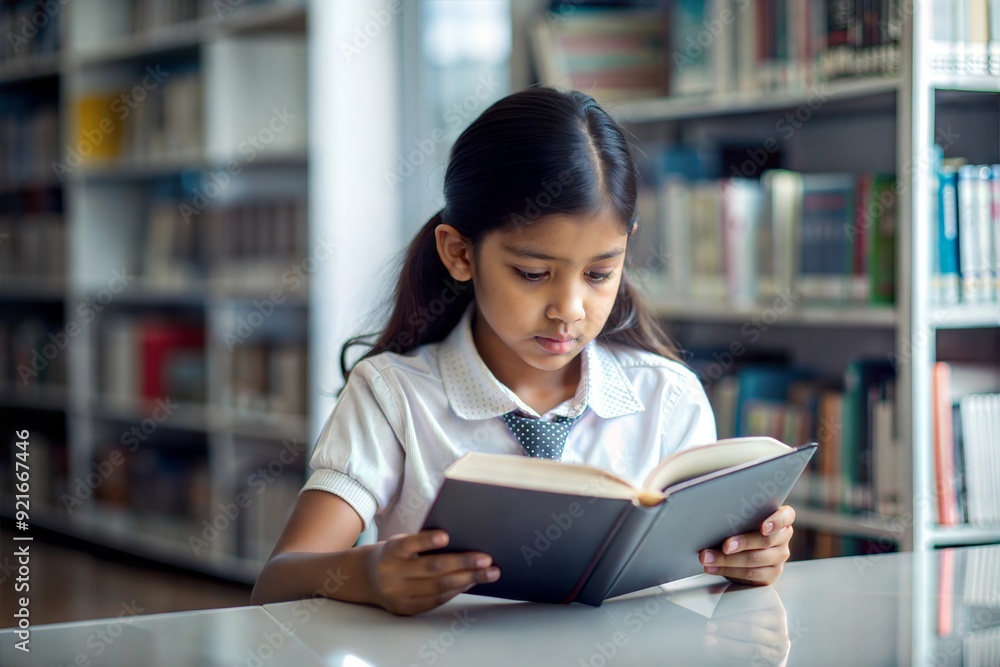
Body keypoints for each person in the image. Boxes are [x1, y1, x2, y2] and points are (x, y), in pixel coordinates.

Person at [251, 86, 797, 615]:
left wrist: (748, 561)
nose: (569, 308)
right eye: (533, 273)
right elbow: (277, 582)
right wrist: (366, 575)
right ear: (459, 253)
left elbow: (703, 586)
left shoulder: (667, 396)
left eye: (600, 273)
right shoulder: (391, 397)